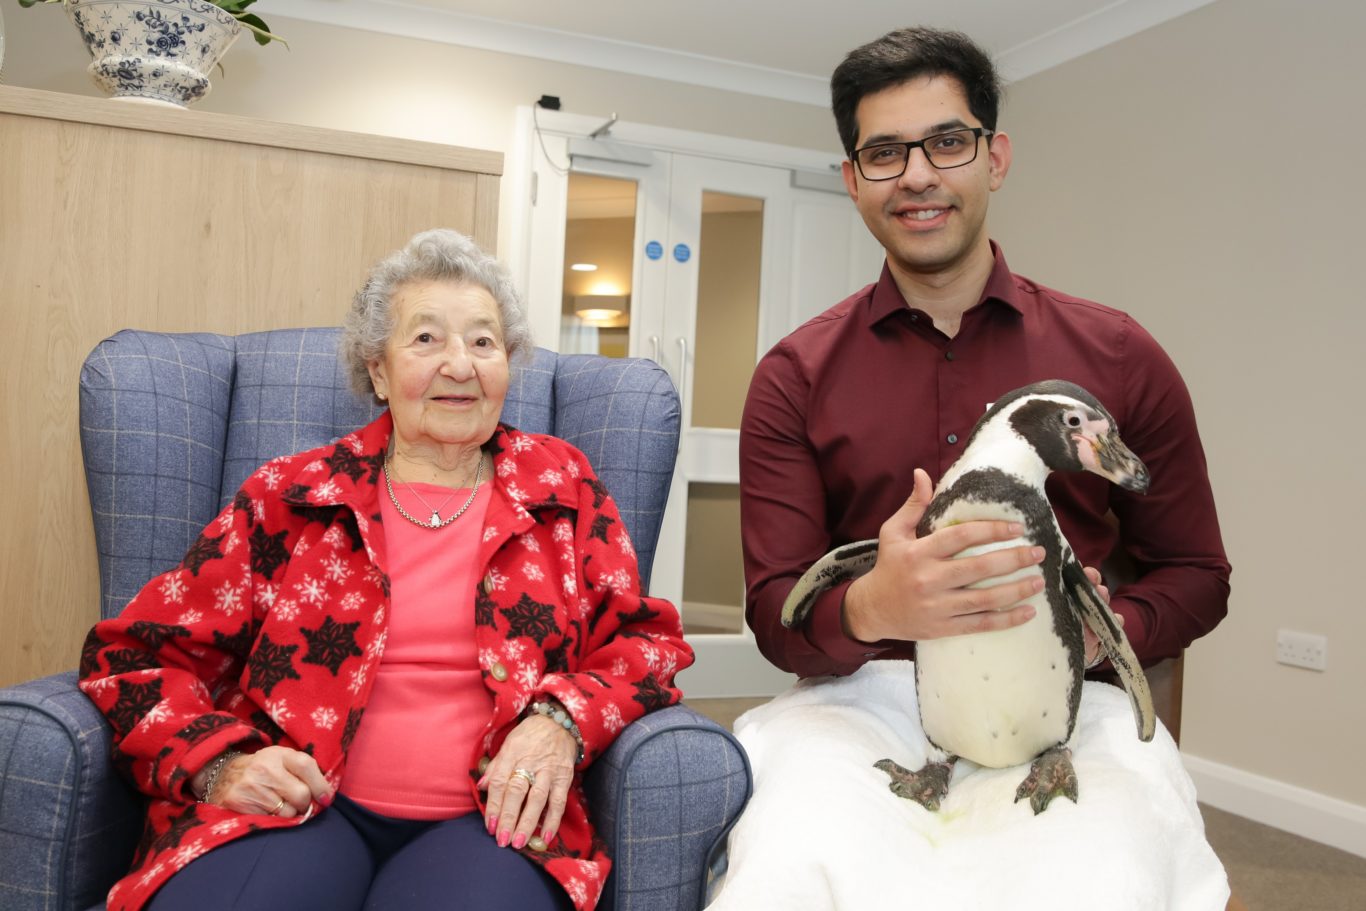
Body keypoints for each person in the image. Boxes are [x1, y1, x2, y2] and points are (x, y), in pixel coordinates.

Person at [78, 229, 693, 911]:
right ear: (377, 370)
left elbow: (646, 645)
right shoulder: (293, 496)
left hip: (489, 825)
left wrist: (562, 719)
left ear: (507, 366)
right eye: (426, 339)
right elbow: (130, 657)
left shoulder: (563, 489)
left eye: (484, 342)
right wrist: (219, 763)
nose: (460, 363)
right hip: (298, 809)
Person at [740, 26, 1229, 678]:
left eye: (946, 143)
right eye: (885, 153)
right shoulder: (792, 378)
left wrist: (1105, 633)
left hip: (1068, 697)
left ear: (994, 159)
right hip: (865, 702)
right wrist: (870, 608)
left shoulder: (1119, 354)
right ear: (853, 181)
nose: (917, 176)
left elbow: (1197, 573)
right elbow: (776, 610)